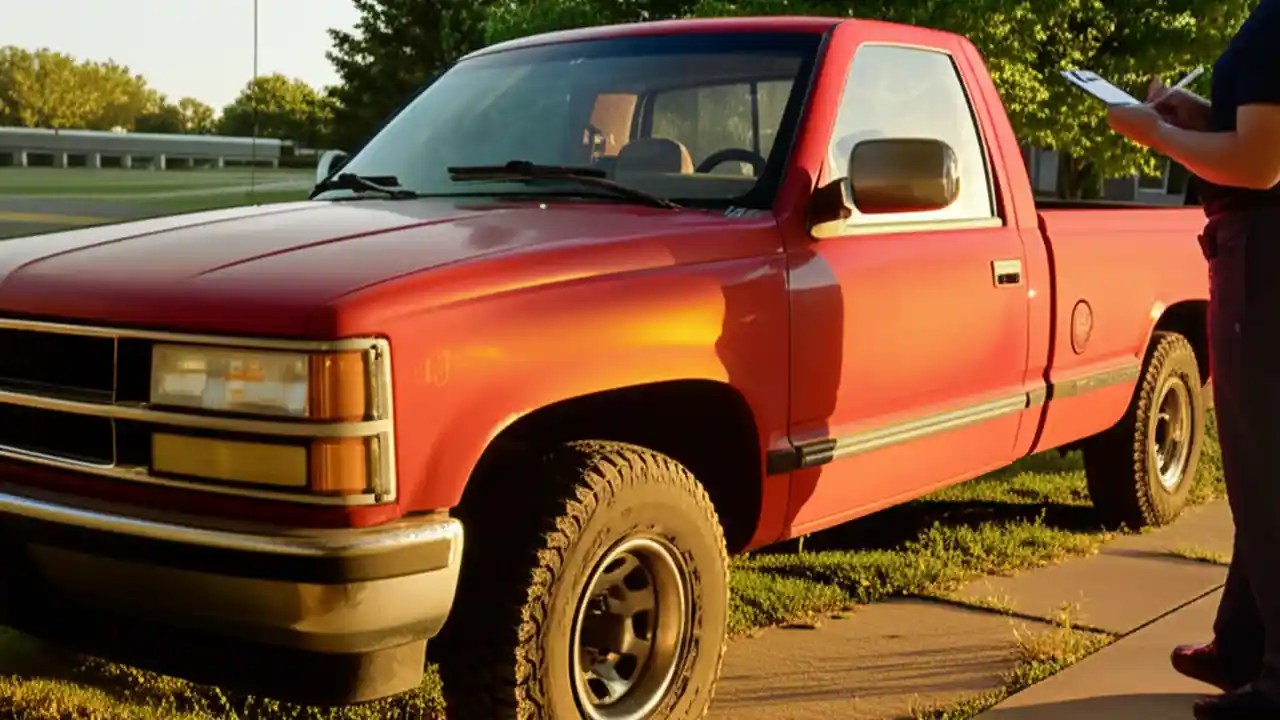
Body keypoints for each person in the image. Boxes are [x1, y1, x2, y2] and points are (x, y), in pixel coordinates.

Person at [1106, 1, 1280, 717]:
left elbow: (1261, 163)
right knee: (1258, 465)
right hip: (1262, 251)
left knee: (1264, 467)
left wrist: (1158, 135)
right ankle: (1243, 645)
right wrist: (1194, 114)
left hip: (1263, 256)